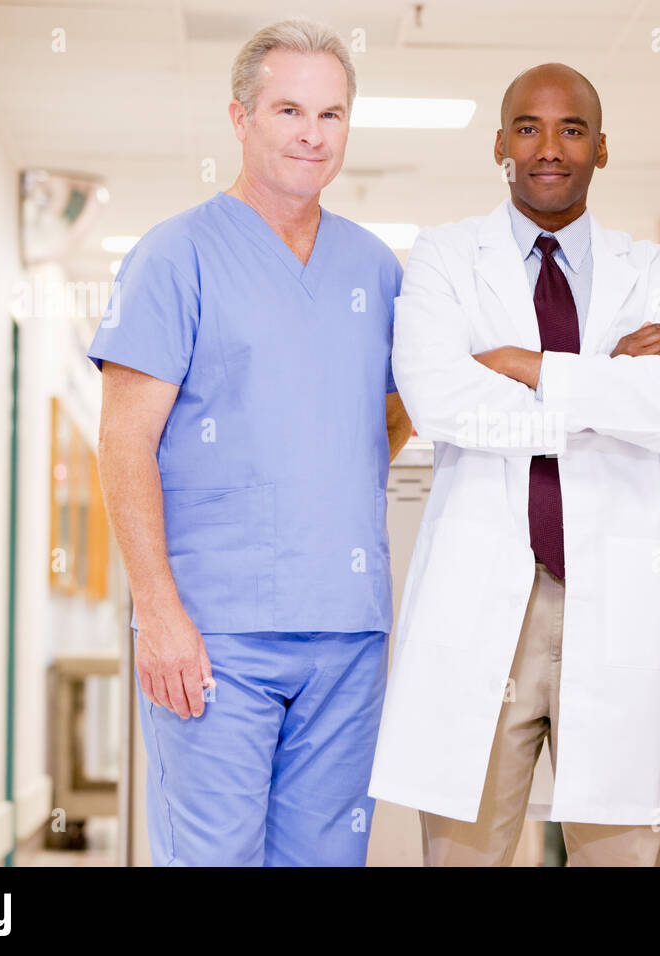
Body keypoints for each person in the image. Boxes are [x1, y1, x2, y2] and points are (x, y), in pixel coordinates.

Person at [368, 62, 660, 866]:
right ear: (500, 143)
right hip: (484, 599)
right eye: (528, 127)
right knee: (466, 853)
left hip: (614, 598)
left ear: (601, 147)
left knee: (619, 851)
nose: (548, 148)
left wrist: (525, 362)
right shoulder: (445, 258)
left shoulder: (653, 269)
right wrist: (608, 378)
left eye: (570, 130)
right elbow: (443, 398)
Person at [89, 18, 412, 866]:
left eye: (333, 115)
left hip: (346, 630)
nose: (312, 134)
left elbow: (394, 410)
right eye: (289, 110)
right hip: (212, 630)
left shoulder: (376, 270)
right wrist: (157, 611)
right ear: (240, 119)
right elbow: (123, 445)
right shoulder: (175, 256)